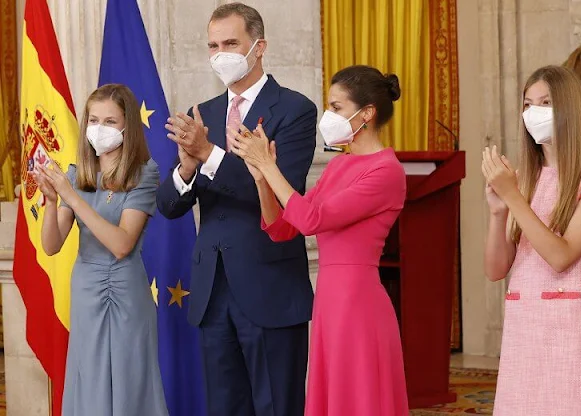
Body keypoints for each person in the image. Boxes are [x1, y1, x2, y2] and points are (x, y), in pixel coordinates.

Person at [156, 3, 316, 415]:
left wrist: (207, 153)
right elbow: (169, 206)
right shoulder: (204, 113)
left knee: (276, 406)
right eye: (212, 45)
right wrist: (187, 168)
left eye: (230, 43)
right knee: (225, 407)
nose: (219, 53)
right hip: (213, 290)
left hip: (270, 285)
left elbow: (283, 195)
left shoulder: (295, 109)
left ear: (258, 47)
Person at [230, 64, 410, 416]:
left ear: (367, 113)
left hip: (359, 304)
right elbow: (284, 228)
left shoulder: (386, 171)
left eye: (337, 108)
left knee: (359, 398)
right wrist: (261, 179)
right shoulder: (338, 166)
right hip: (329, 300)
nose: (329, 116)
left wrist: (269, 166)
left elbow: (313, 220)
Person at [482, 65, 581, 415]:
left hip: (570, 327)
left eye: (545, 102)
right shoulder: (525, 177)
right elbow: (496, 269)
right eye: (528, 104)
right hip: (523, 327)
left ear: (568, 108)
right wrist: (498, 213)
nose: (534, 113)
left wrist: (512, 196)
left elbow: (562, 256)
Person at [31, 84, 168, 416]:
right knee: (89, 380)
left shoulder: (144, 173)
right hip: (86, 289)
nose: (99, 129)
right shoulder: (79, 174)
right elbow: (51, 246)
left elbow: (122, 244)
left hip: (125, 292)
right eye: (93, 120)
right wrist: (52, 202)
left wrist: (72, 196)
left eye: (110, 121)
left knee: (129, 384)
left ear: (127, 126)